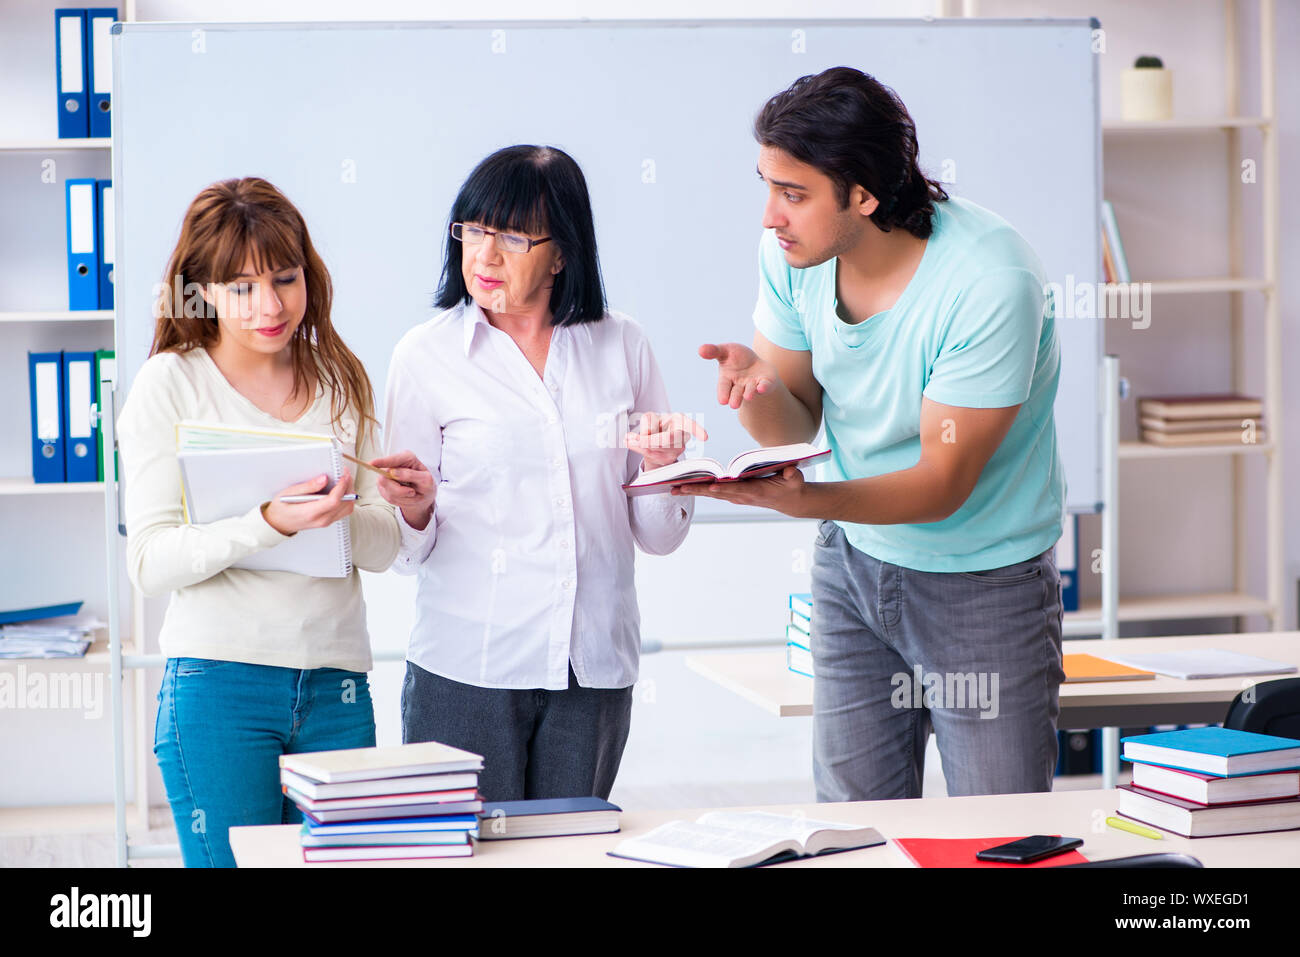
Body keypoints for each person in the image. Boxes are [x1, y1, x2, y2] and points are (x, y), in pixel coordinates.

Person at [685, 67, 1067, 801]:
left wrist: (806, 502)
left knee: (997, 830)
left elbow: (941, 482)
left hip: (981, 583)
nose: (770, 215)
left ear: (863, 193)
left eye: (792, 194)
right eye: (767, 185)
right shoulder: (793, 256)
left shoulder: (988, 281)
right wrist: (754, 391)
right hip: (853, 568)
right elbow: (796, 419)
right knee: (854, 829)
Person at [371, 145, 700, 803]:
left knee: (569, 853)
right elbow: (407, 550)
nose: (484, 256)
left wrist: (666, 469)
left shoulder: (622, 343)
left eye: (513, 237)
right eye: (473, 231)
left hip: (593, 668)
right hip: (467, 668)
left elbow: (658, 536)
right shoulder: (425, 355)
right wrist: (415, 508)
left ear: (561, 251)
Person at [116, 177, 401, 866]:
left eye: (285, 277)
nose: (270, 305)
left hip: (337, 687)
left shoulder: (342, 380)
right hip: (218, 688)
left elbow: (385, 544)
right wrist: (269, 522)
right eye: (241, 287)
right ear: (202, 289)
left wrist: (347, 516)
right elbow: (150, 561)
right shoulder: (170, 384)